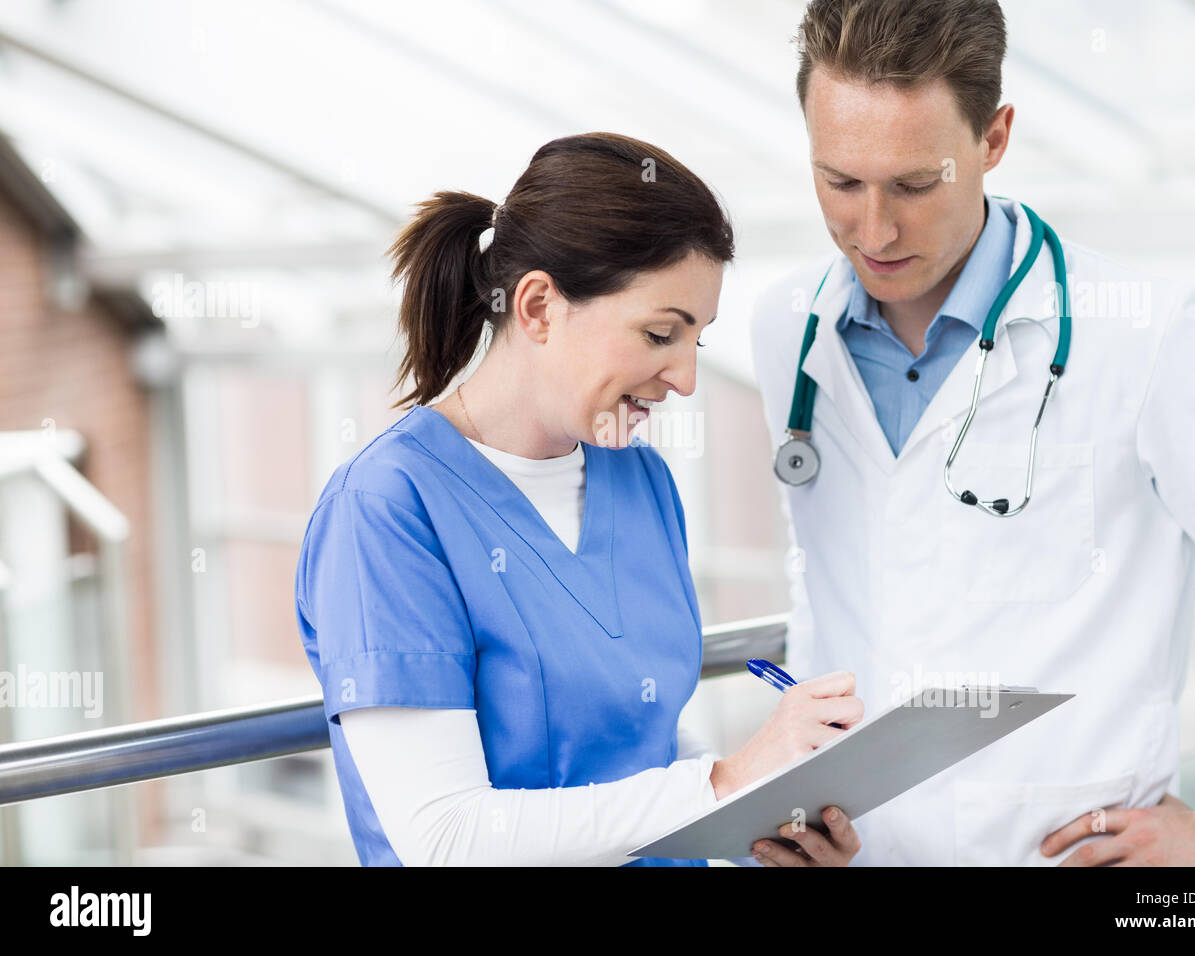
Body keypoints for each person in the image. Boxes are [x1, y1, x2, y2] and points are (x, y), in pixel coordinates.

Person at [749, 0, 1195, 865]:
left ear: (993, 139)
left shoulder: (1148, 333)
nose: (875, 230)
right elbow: (834, 596)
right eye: (840, 182)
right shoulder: (789, 326)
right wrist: (793, 805)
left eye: (915, 185)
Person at [295, 131, 865, 867]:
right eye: (661, 333)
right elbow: (444, 838)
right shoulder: (386, 510)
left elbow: (647, 744)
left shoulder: (642, 483)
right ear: (537, 306)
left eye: (697, 340)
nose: (685, 379)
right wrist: (724, 785)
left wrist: (757, 827)